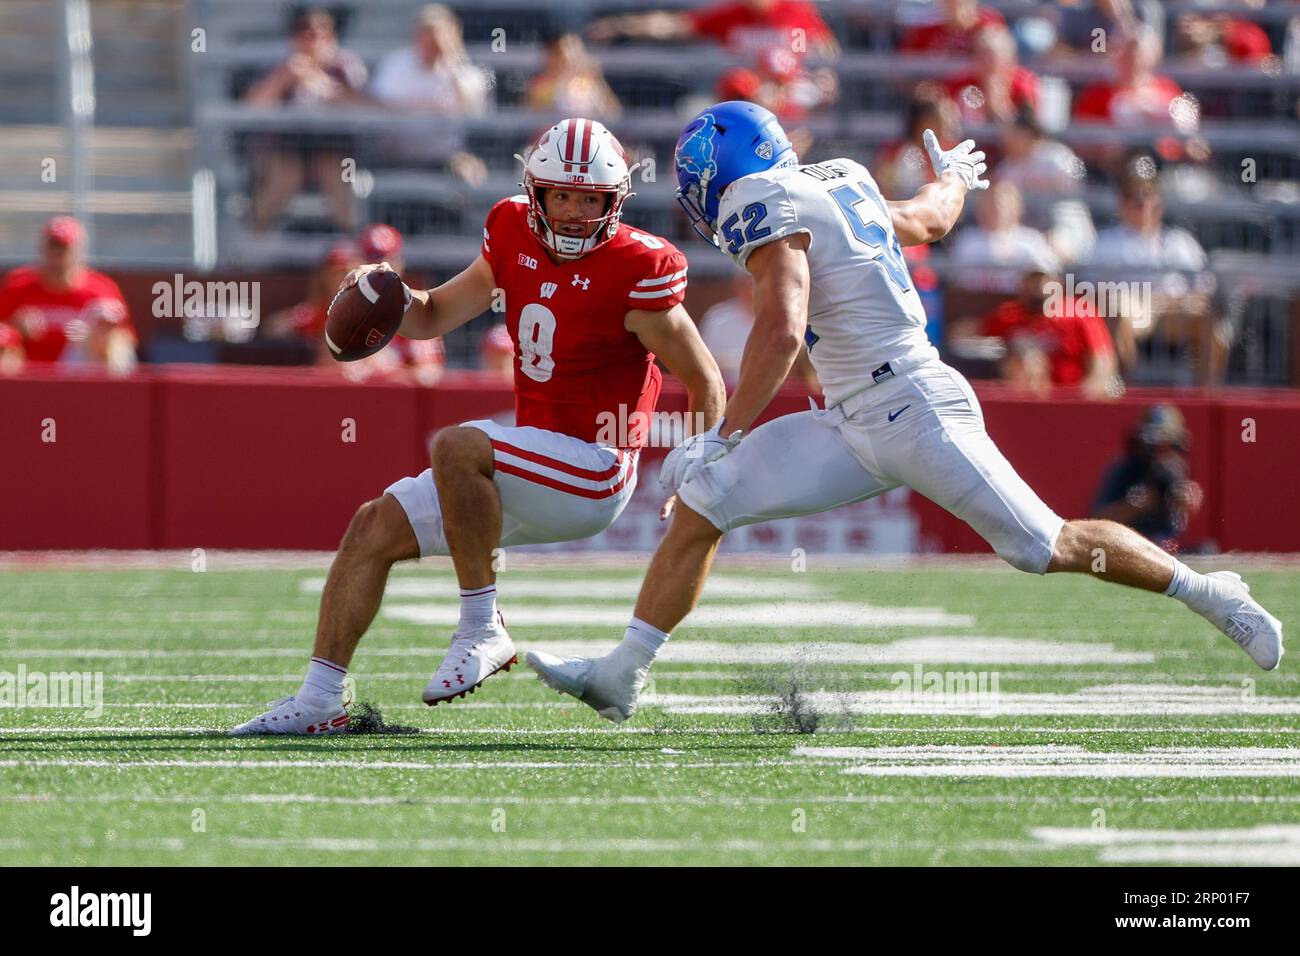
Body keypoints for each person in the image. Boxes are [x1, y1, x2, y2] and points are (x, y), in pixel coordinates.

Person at [526, 101, 1284, 725]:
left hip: (914, 404)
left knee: (1042, 545)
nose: (698, 195)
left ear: (722, 173)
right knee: (703, 504)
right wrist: (954, 176)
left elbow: (785, 327)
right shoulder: (841, 179)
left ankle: (1210, 592)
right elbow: (927, 219)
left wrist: (724, 433)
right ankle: (623, 673)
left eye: (698, 178)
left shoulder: (759, 199)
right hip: (854, 417)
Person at [232, 118, 725, 735]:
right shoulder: (510, 228)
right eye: (562, 196)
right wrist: (389, 295)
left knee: (458, 445)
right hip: (532, 463)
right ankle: (319, 699)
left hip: (595, 467)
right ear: (536, 193)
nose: (574, 212)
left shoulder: (637, 265)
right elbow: (435, 314)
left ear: (614, 201)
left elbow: (706, 380)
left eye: (590, 199)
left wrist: (703, 463)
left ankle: (481, 627)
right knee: (372, 526)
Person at [243, 8, 368, 232]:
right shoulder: (279, 64)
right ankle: (253, 246)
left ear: (331, 36)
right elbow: (254, 106)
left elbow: (363, 104)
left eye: (321, 32)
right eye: (306, 32)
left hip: (333, 147)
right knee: (284, 177)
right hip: (286, 146)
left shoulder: (345, 65)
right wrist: (283, 78)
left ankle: (353, 247)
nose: (313, 38)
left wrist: (320, 83)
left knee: (338, 177)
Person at [951, 267, 1118, 397]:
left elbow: (1103, 359)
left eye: (1044, 282)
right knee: (1027, 358)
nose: (1038, 289)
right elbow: (965, 331)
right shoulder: (1011, 315)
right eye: (1033, 282)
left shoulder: (1079, 312)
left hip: (1072, 394)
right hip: (1026, 392)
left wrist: (1086, 395)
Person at [370, 4, 491, 184]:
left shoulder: (467, 71)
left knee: (472, 174)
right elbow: (380, 104)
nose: (432, 40)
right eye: (426, 33)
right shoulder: (395, 64)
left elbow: (473, 111)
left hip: (448, 157)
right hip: (396, 156)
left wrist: (453, 62)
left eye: (440, 33)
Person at [0, 216, 136, 374]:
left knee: (116, 344)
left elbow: (126, 339)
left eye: (64, 249)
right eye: (53, 247)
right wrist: (15, 329)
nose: (57, 256)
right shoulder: (18, 285)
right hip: (27, 377)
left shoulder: (100, 290)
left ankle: (114, 395)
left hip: (81, 378)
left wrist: (96, 336)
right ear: (42, 250)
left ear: (79, 252)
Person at [1093, 405, 1204, 551]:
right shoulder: (1125, 470)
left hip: (1165, 549)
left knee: (1206, 550)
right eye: (1155, 444)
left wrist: (1187, 507)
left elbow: (1176, 529)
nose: (1161, 451)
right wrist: (1134, 506)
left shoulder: (1176, 471)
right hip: (1129, 547)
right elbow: (1096, 521)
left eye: (1167, 443)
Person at [587, 0, 837, 59]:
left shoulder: (798, 11)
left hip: (795, 112)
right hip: (741, 107)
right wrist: (620, 25)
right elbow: (671, 24)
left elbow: (827, 51)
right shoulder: (730, 15)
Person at [526, 31, 621, 119]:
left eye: (572, 50)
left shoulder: (589, 80)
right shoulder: (541, 84)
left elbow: (613, 113)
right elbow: (531, 116)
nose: (567, 56)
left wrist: (598, 81)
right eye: (560, 52)